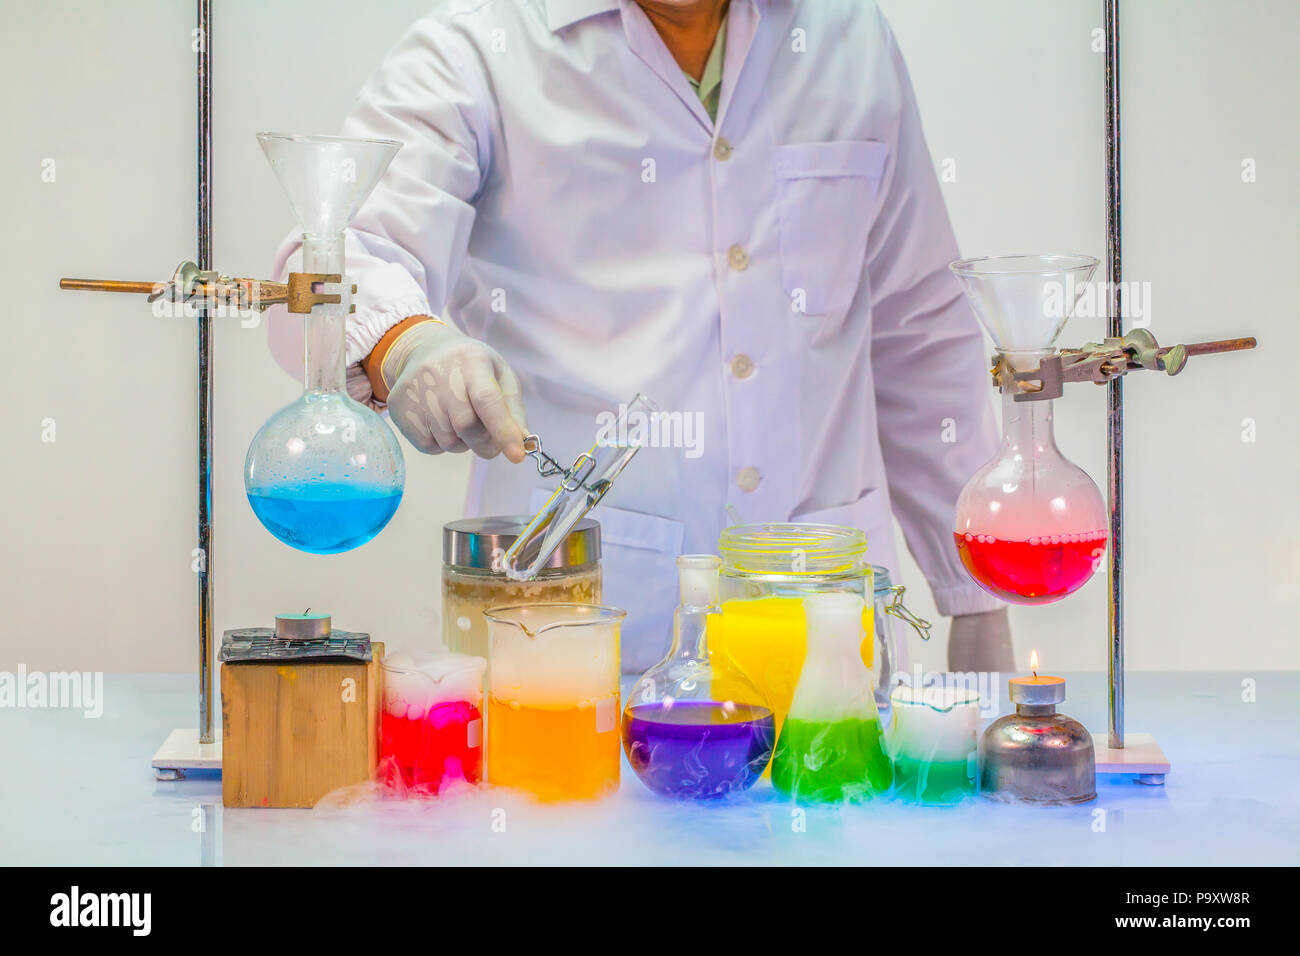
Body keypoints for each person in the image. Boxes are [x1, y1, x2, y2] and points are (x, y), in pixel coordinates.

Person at [270, 0, 1014, 673]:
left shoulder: (847, 38)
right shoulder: (479, 48)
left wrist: (976, 594)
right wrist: (404, 341)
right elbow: (331, 255)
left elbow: (919, 327)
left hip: (823, 630)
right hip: (577, 638)